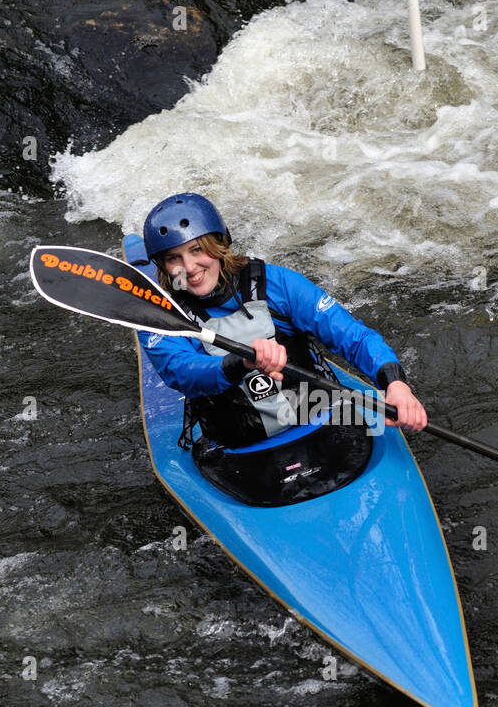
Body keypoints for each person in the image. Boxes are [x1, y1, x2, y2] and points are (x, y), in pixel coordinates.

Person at [137, 192, 427, 506]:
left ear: (219, 245)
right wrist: (242, 362)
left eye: (197, 250)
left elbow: (352, 336)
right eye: (174, 258)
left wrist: (394, 382)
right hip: (238, 454)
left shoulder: (276, 284)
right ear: (163, 266)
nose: (189, 267)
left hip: (326, 425)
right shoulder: (160, 315)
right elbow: (181, 372)